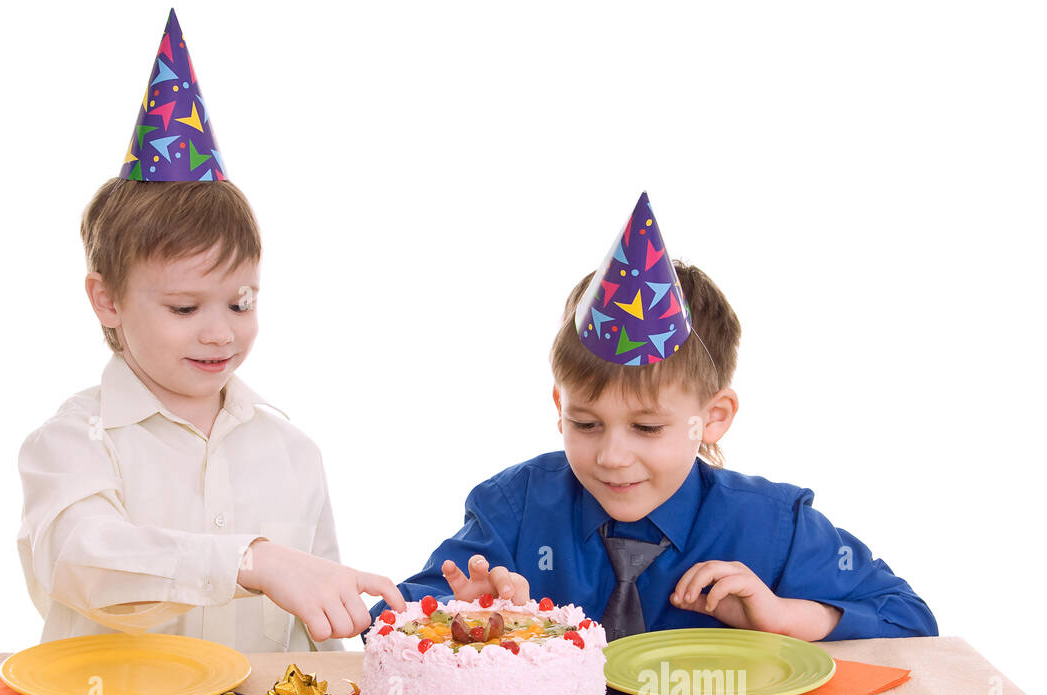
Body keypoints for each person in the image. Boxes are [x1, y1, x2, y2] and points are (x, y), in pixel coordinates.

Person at [372, 196, 936, 643]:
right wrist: (457, 616)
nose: (612, 456)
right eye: (586, 424)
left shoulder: (775, 526)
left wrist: (784, 616)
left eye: (646, 428)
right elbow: (386, 619)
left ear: (713, 418)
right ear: (558, 409)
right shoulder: (515, 509)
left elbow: (911, 623)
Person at [17, 12, 403, 650]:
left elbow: (320, 633)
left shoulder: (293, 452)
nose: (221, 334)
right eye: (185, 308)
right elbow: (81, 559)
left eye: (240, 302)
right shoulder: (72, 445)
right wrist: (252, 561)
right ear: (106, 299)